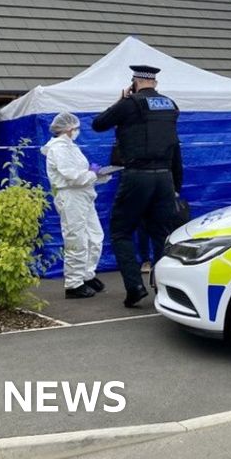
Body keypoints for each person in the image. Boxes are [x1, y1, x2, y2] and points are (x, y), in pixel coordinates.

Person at [92, 65, 183, 307]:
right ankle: (165, 288)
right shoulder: (171, 105)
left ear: (135, 82)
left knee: (121, 232)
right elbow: (176, 146)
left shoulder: (129, 104)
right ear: (155, 83)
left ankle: (135, 287)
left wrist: (120, 100)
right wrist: (176, 184)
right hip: (165, 177)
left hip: (137, 177)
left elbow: (98, 124)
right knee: (161, 234)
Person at [41, 112, 106, 299]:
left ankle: (86, 274)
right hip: (71, 196)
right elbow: (73, 176)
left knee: (94, 236)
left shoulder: (70, 146)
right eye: (76, 128)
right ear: (69, 128)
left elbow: (81, 174)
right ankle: (73, 283)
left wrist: (99, 174)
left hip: (83, 195)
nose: (77, 131)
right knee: (76, 238)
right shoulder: (58, 149)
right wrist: (93, 174)